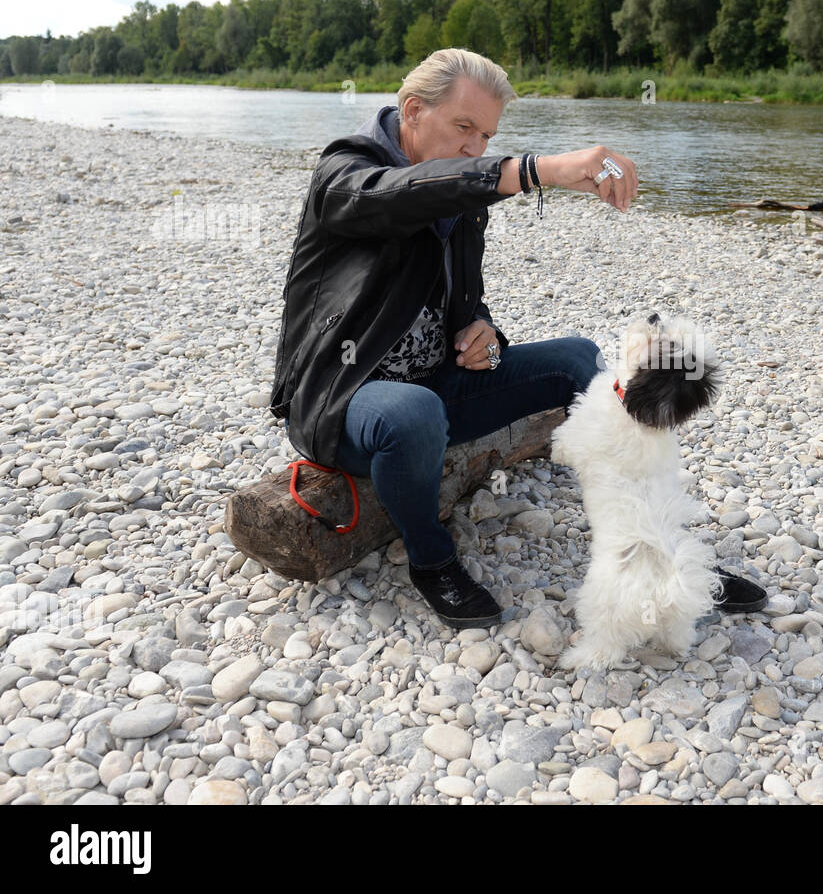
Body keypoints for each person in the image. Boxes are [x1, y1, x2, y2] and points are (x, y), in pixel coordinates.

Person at [270, 48, 766, 630]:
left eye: (487, 136)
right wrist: (536, 170)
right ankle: (431, 560)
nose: (475, 149)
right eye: (464, 128)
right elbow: (403, 194)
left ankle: (659, 550)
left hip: (438, 383)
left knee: (578, 358)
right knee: (413, 413)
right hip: (343, 400)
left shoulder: (463, 199)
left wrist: (486, 337)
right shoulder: (344, 175)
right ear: (411, 110)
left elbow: (467, 305)